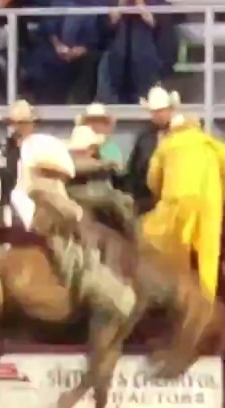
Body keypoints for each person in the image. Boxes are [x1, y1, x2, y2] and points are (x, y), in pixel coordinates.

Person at [11, 133, 137, 322]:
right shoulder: (40, 194)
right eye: (51, 174)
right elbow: (67, 216)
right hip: (55, 240)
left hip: (58, 235)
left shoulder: (30, 192)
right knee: (84, 267)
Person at [140, 115, 225, 300]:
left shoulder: (167, 145)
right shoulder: (213, 144)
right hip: (209, 205)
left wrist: (160, 195)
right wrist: (221, 196)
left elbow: (152, 179)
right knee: (207, 256)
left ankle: (181, 302)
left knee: (176, 253)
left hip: (177, 201)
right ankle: (207, 303)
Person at [26, 0, 109, 104]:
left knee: (90, 63)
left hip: (87, 51)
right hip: (59, 48)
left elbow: (104, 32)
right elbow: (49, 24)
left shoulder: (100, 1)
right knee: (41, 58)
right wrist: (57, 44)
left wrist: (83, 48)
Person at [101, 0, 177, 104]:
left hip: (153, 50)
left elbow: (157, 25)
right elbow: (109, 25)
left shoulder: (158, 1)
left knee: (140, 32)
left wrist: (140, 2)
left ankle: (143, 90)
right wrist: (121, 5)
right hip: (122, 52)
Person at [122, 85, 179, 213]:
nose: (158, 115)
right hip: (148, 199)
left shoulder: (182, 135)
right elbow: (134, 171)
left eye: (161, 110)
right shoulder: (144, 138)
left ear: (170, 110)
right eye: (155, 111)